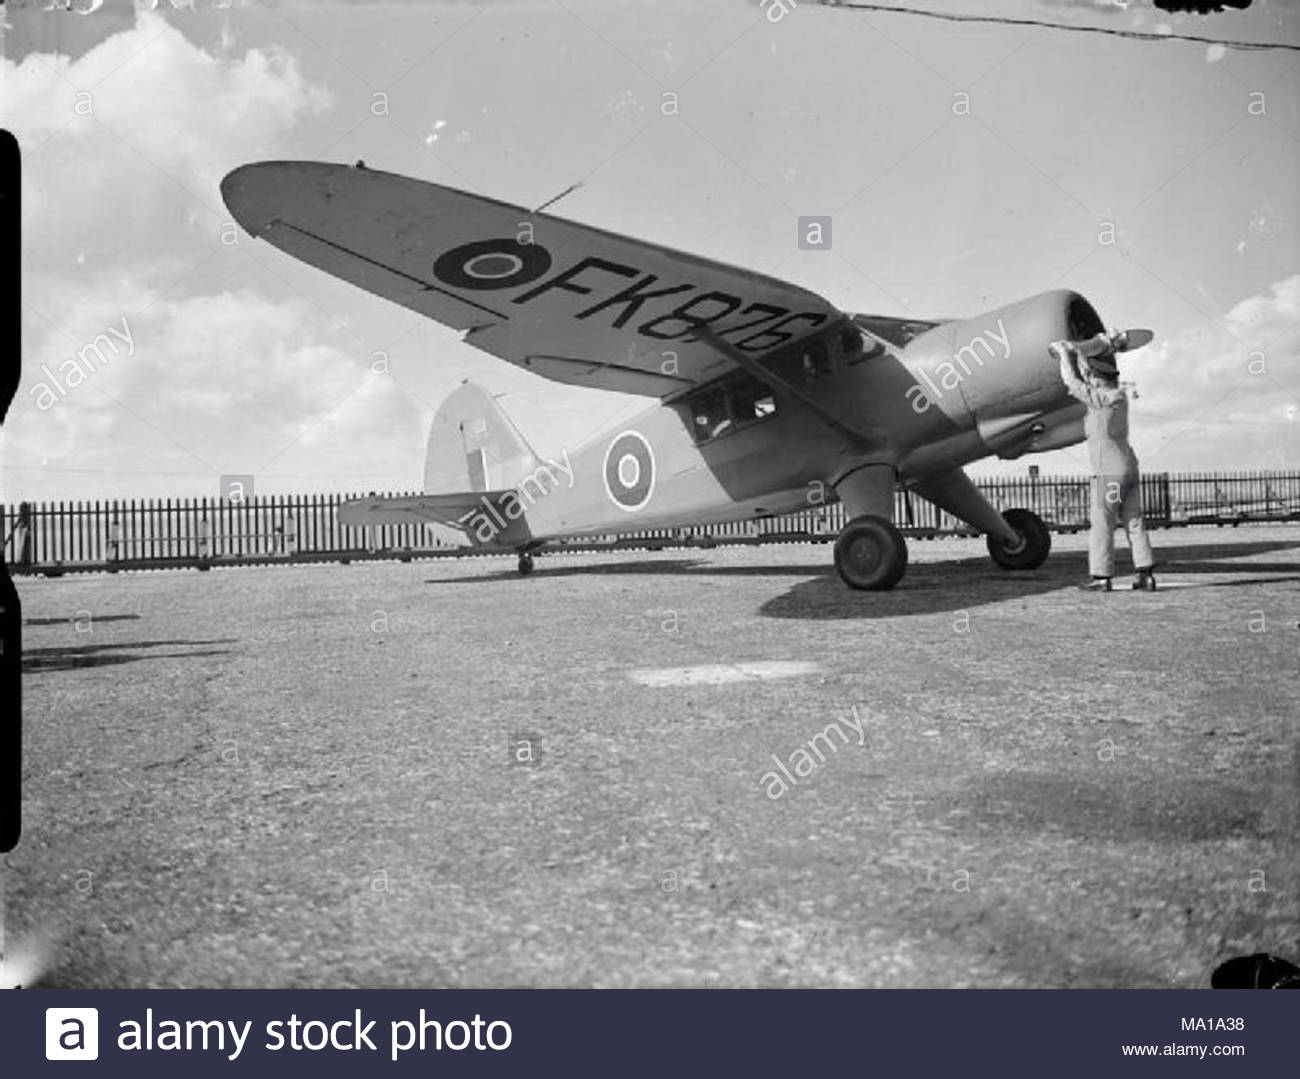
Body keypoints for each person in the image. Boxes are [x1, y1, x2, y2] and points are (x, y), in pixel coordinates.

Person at [1051, 330, 1156, 592]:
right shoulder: (1118, 398)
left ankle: (1101, 577)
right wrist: (1090, 353)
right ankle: (1146, 575)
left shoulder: (1099, 400)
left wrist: (1065, 353)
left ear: (1096, 379)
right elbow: (1088, 377)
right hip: (1130, 467)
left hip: (1108, 471)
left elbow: (1071, 383)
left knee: (1102, 524)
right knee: (1135, 521)